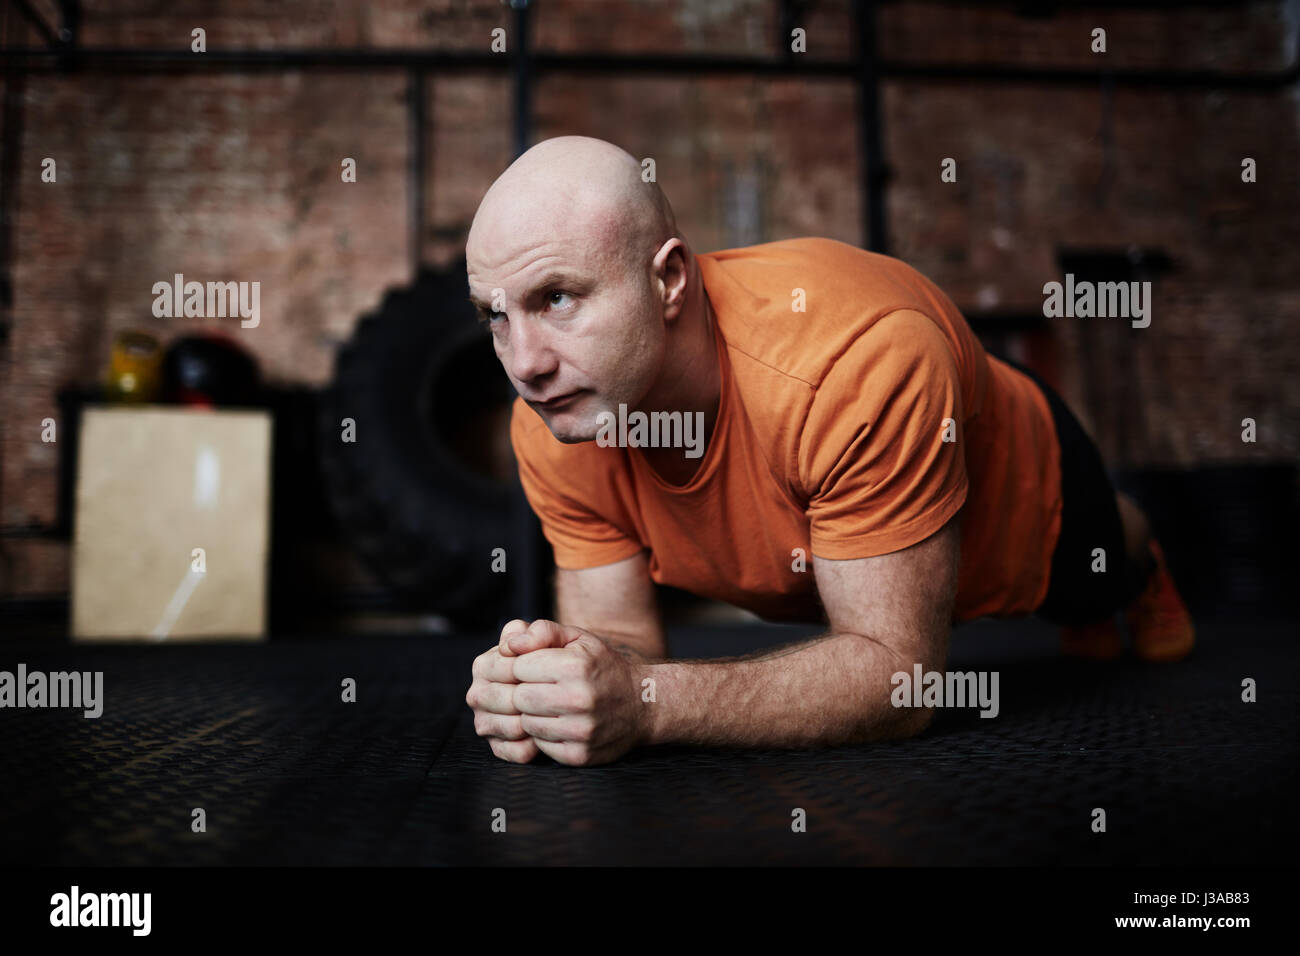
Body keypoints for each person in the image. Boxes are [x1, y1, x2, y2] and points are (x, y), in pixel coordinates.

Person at [463, 135, 1195, 766]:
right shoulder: (558, 418)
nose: (524, 363)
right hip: (838, 565)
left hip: (1026, 491)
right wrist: (562, 689)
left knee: (1094, 578)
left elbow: (899, 681)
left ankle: (1141, 566)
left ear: (669, 279)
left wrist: (650, 707)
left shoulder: (859, 363)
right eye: (497, 316)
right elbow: (621, 639)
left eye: (557, 298)